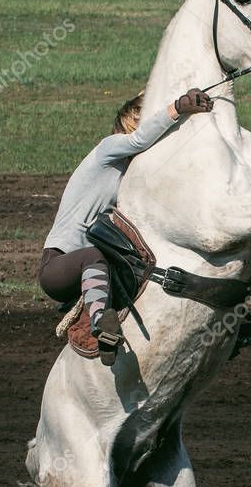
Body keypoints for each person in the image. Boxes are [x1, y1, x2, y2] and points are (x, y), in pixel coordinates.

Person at [40, 88, 213, 365]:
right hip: (57, 268)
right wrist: (178, 106)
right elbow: (141, 138)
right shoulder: (108, 148)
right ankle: (100, 323)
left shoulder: (131, 179)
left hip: (97, 272)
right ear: (133, 120)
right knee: (93, 257)